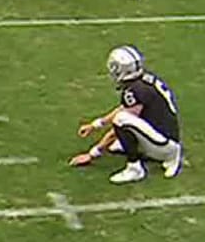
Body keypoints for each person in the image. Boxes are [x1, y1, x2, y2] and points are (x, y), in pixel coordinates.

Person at [70, 45, 182, 184]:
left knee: (121, 120)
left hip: (165, 147)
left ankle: (135, 169)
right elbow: (125, 108)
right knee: (122, 121)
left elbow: (120, 122)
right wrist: (96, 125)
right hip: (165, 138)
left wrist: (93, 154)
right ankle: (149, 149)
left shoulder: (135, 90)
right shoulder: (144, 80)